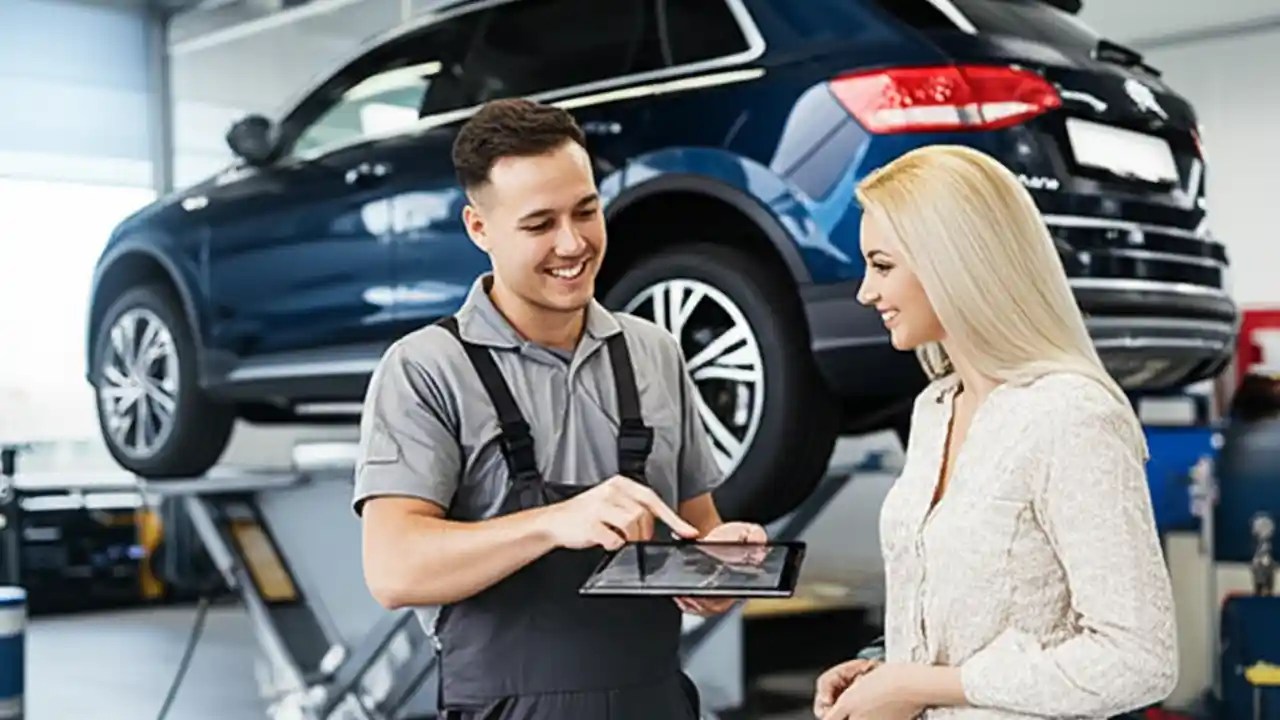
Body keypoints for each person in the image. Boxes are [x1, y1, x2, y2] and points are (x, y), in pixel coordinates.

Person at [352, 97, 767, 720]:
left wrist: (718, 567)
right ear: (479, 228)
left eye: (586, 211)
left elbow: (695, 528)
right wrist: (552, 523)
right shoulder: (426, 368)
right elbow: (394, 569)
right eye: (539, 224)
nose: (572, 243)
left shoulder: (653, 351)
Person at [812, 145, 1179, 720]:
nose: (865, 292)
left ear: (953, 261)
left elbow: (1138, 659)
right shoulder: (936, 407)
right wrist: (887, 666)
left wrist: (920, 686)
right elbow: (983, 609)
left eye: (882, 266)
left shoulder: (1071, 415)